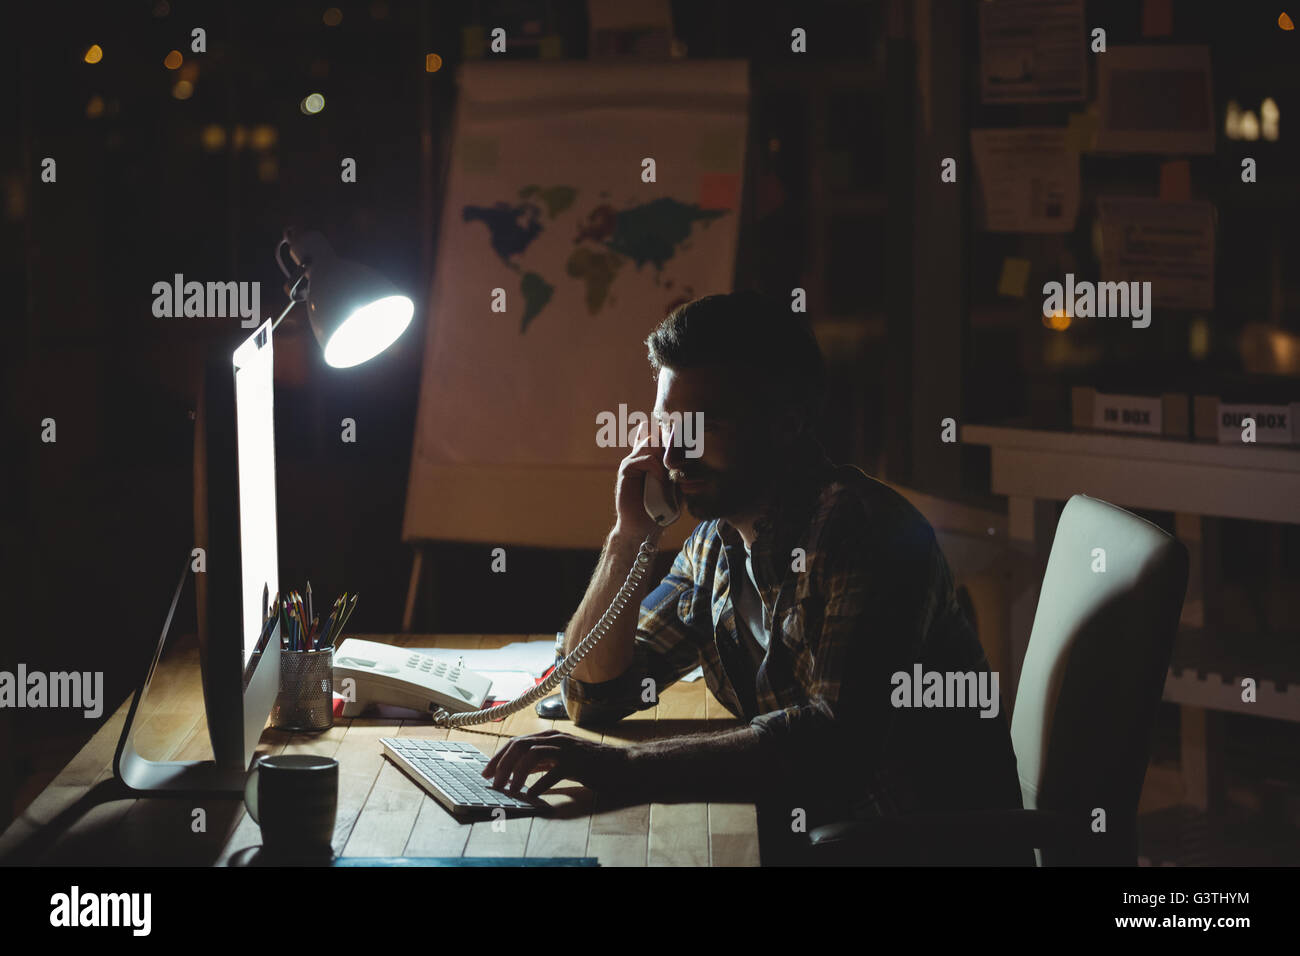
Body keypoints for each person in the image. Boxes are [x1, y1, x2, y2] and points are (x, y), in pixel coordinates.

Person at [482, 291, 1025, 864]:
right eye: (669, 424)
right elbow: (594, 694)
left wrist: (627, 768)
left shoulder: (863, 533)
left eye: (705, 426)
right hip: (809, 839)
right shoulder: (715, 543)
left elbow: (835, 744)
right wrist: (630, 538)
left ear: (785, 424)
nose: (675, 454)